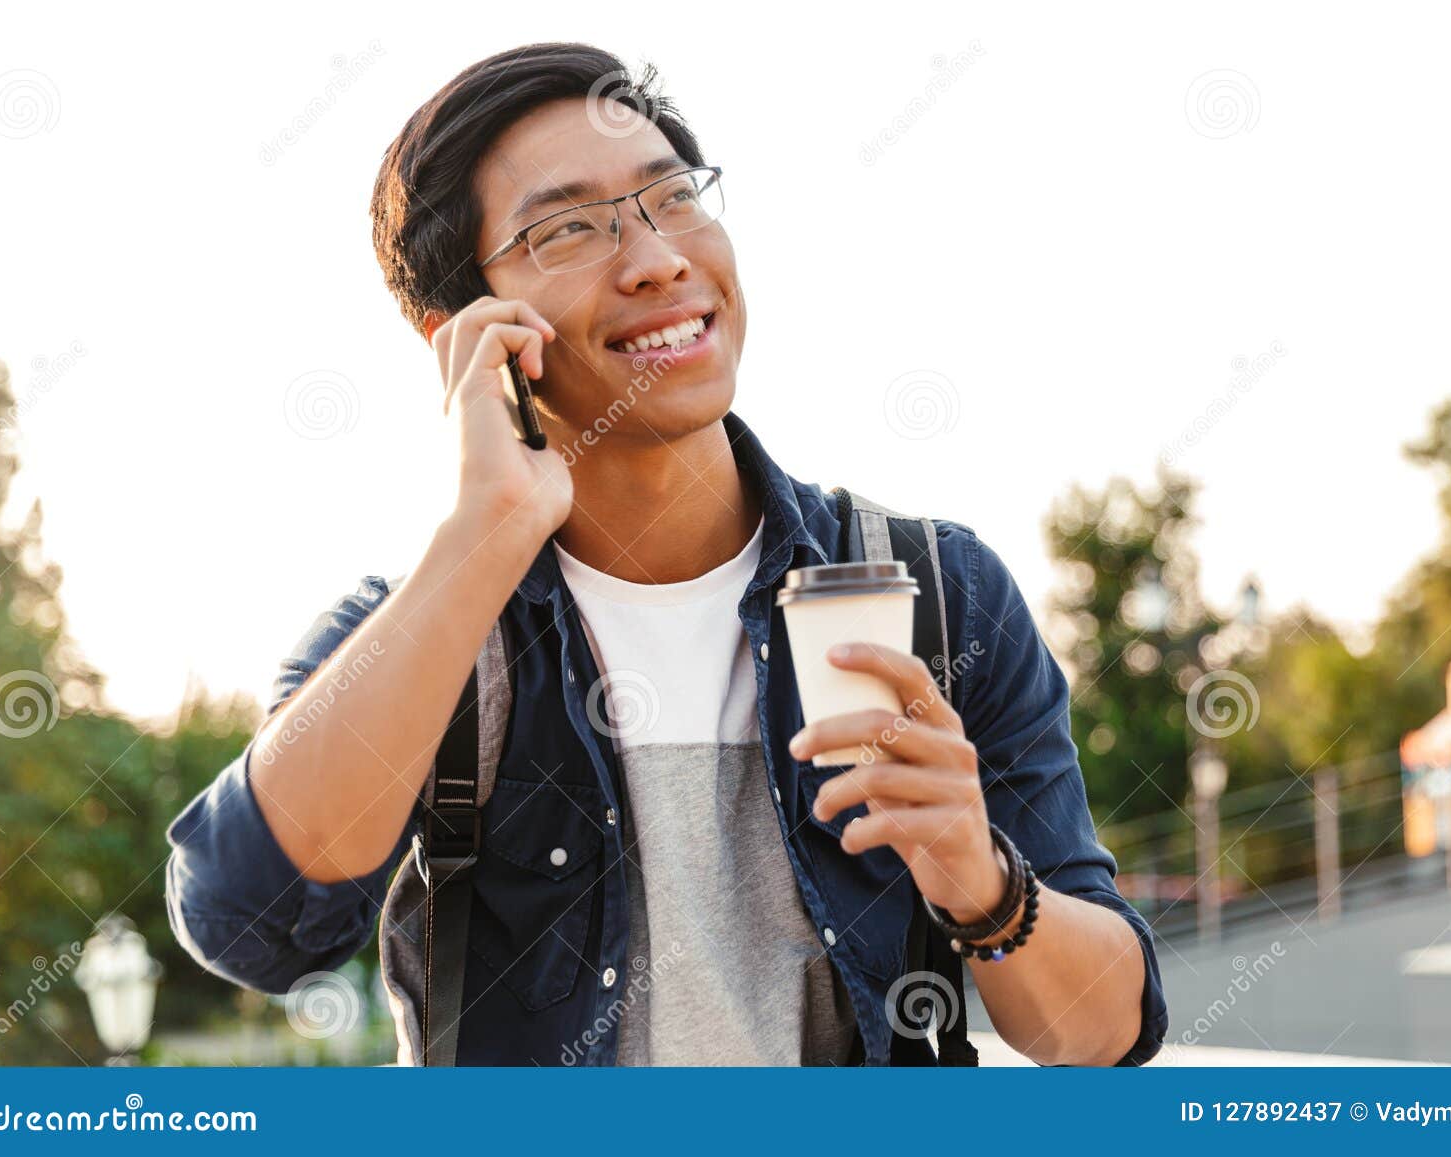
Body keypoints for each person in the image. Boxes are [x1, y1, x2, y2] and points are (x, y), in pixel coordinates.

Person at [165, 42, 1167, 1067]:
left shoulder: (936, 591)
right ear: (464, 333)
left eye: (673, 197)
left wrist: (983, 881)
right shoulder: (424, 641)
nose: (656, 258)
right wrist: (482, 536)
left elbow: (1105, 1032)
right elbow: (253, 923)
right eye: (566, 228)